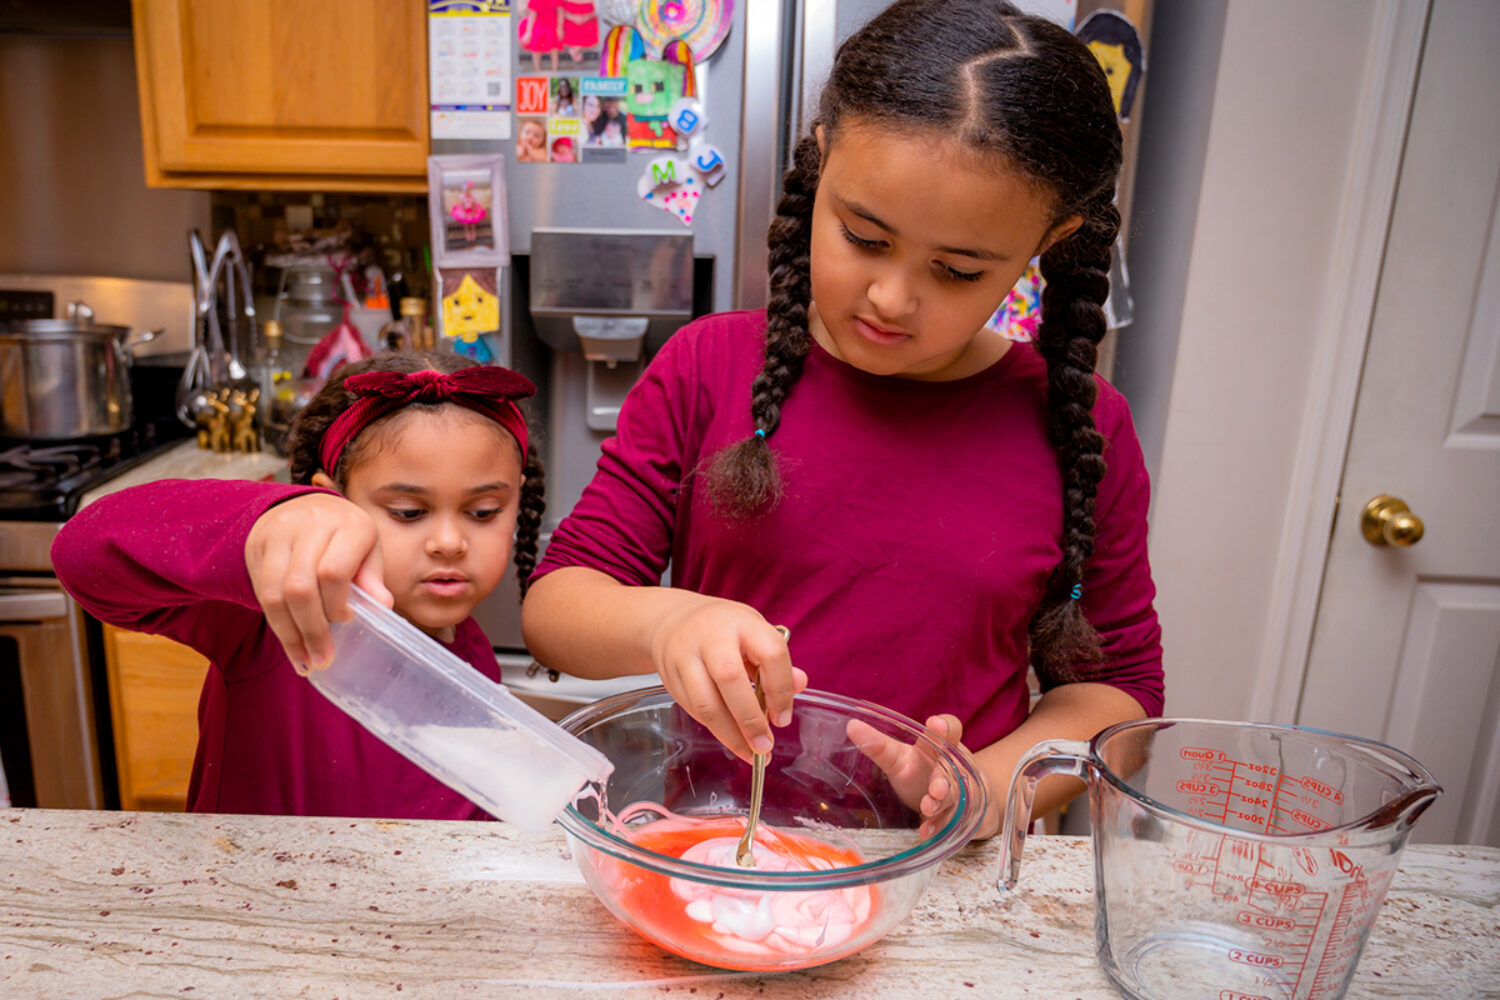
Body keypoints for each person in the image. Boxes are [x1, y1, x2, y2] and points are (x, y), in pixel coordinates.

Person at [521, 0, 1163, 840]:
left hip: (940, 885)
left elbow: (1121, 697)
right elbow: (558, 607)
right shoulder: (707, 369)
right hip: (722, 849)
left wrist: (983, 789)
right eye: (863, 236)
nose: (893, 297)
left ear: (1048, 241)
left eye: (959, 269)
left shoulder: (1084, 427)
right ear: (820, 165)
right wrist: (670, 619)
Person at [52, 352, 546, 820]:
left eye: (483, 513)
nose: (448, 542)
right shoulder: (268, 616)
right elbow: (82, 554)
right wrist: (266, 523)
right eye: (408, 513)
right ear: (332, 500)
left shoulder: (474, 657)